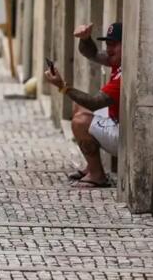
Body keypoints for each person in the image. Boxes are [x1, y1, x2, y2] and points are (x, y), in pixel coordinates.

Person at [43, 22, 122, 189]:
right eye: (107, 44)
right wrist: (85, 39)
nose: (109, 50)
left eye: (114, 45)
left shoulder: (124, 74)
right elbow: (91, 53)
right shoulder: (118, 61)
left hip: (124, 138)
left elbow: (94, 103)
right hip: (116, 122)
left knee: (80, 122)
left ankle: (97, 175)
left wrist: (63, 87)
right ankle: (92, 166)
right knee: (79, 109)